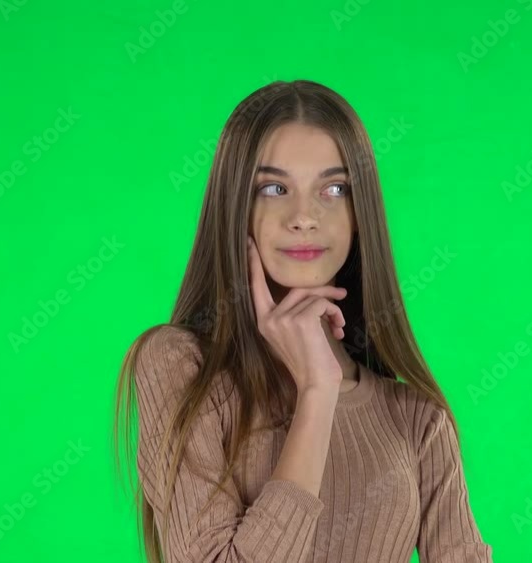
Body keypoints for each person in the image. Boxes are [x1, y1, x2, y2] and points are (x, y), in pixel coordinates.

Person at [114, 80, 493, 562]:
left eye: (334, 189)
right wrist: (316, 391)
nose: (304, 217)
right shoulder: (180, 366)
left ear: (360, 216)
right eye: (273, 188)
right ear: (236, 210)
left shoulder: (418, 420)